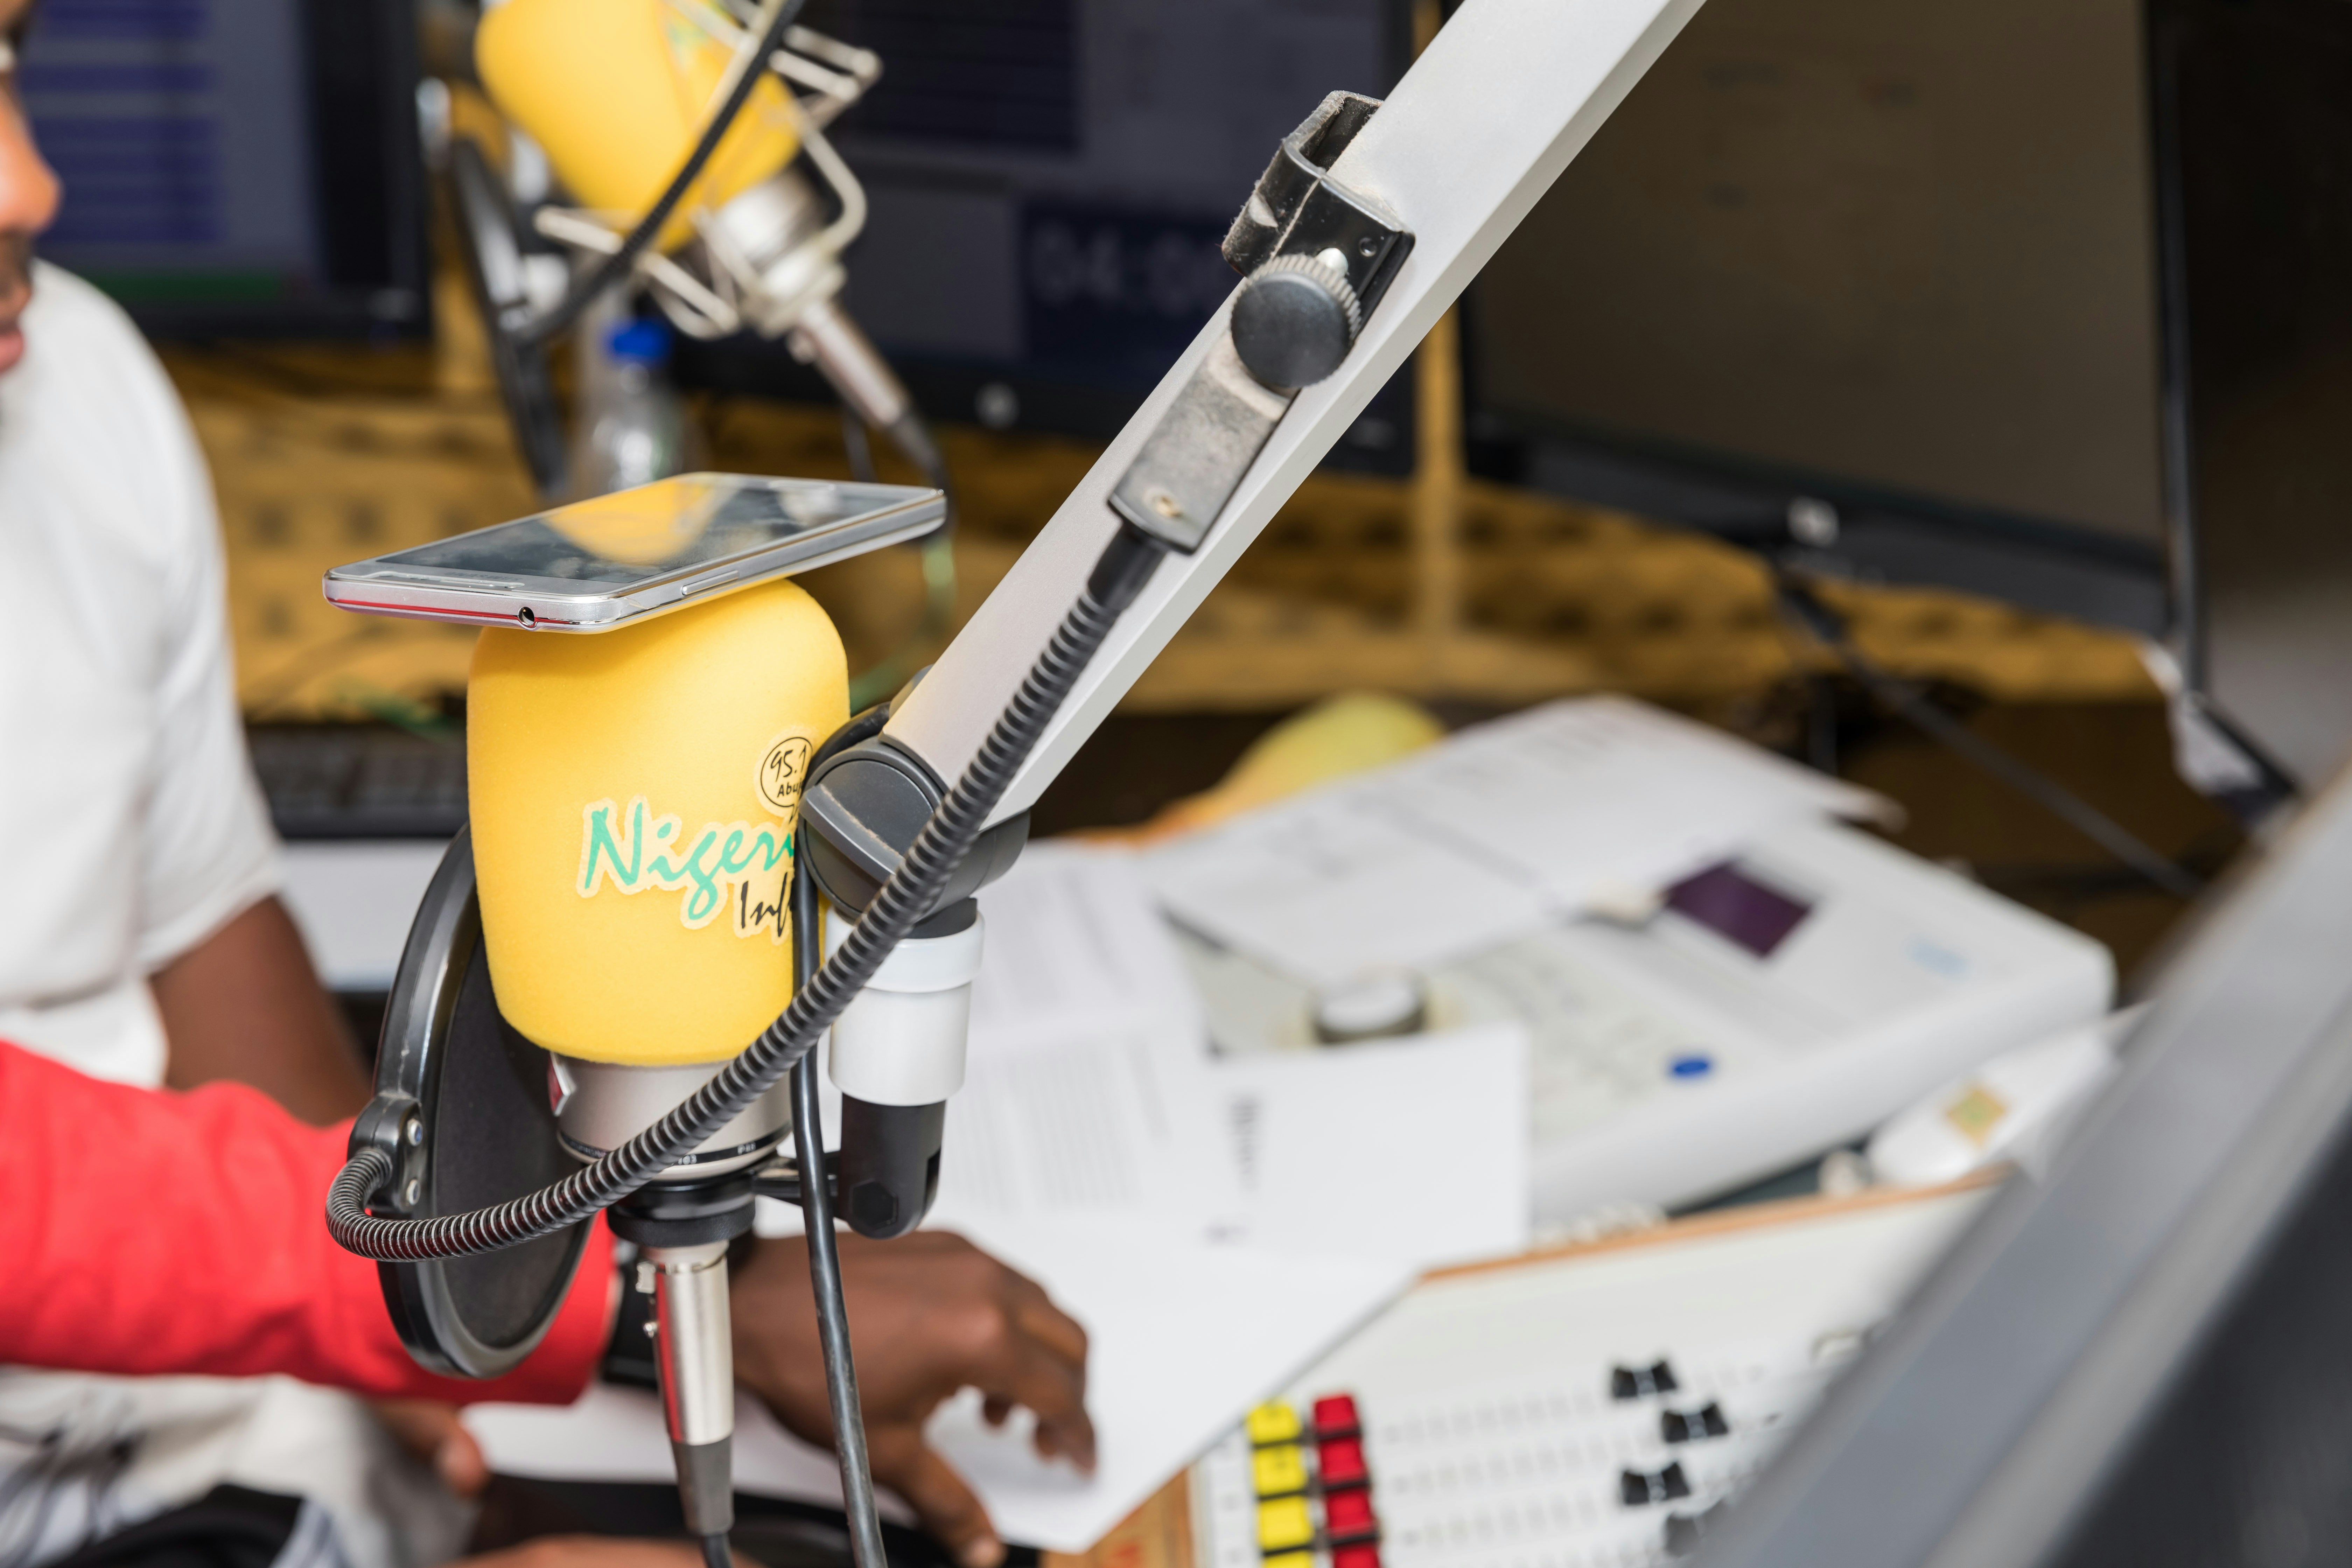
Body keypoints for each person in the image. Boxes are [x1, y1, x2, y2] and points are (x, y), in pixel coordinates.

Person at [0, 4, 1091, 1565]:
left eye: (11, 64)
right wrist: (626, 1298)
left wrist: (448, 1368)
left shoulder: (80, 385)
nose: (27, 182)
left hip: (244, 1439)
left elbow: (208, 938)